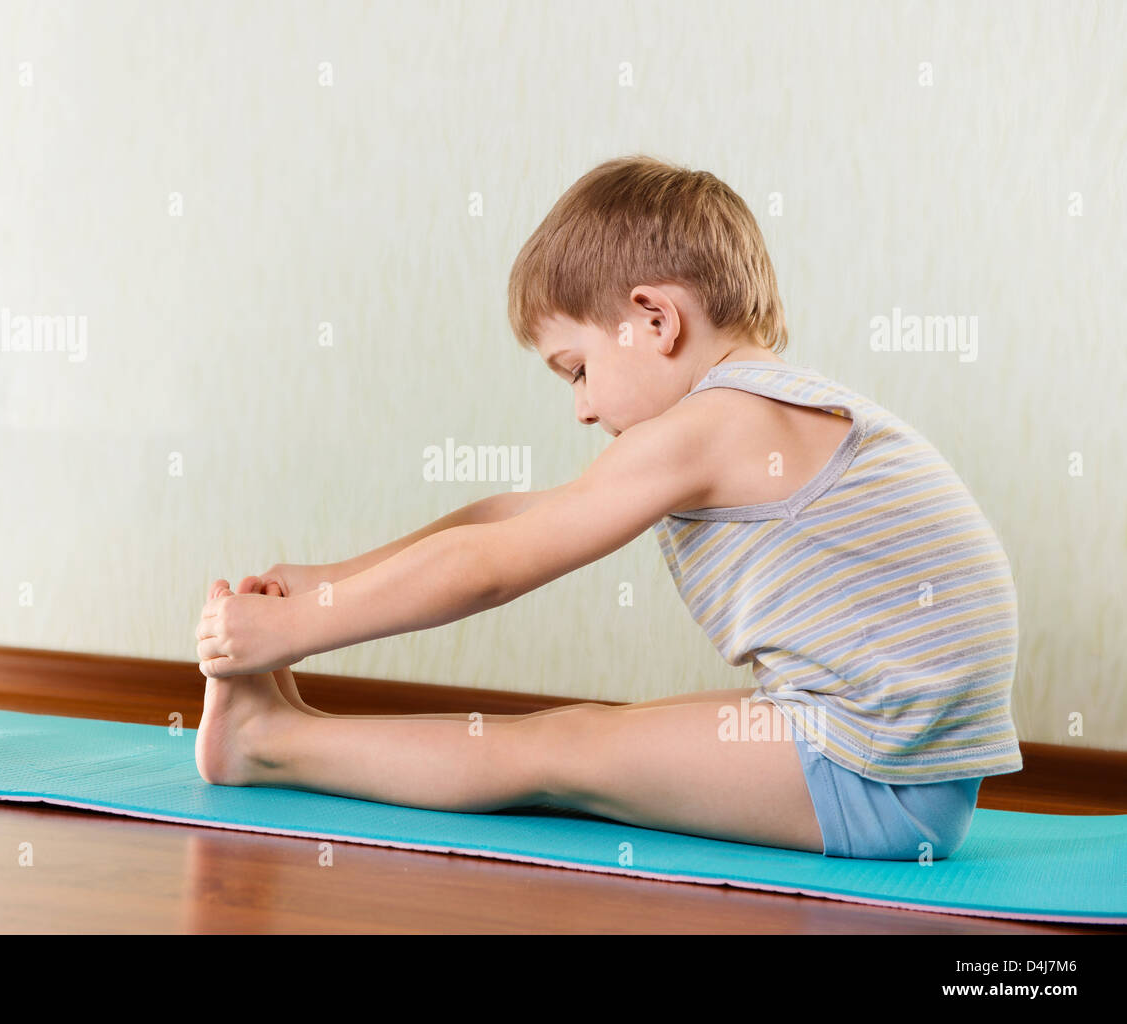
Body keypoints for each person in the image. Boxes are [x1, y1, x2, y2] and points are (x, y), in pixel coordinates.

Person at [194, 155, 1020, 861]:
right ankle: (277, 735)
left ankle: (267, 747)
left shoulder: (719, 423)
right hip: (885, 753)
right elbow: (508, 521)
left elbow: (489, 572)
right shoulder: (759, 407)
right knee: (583, 732)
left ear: (654, 320)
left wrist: (294, 630)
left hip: (878, 775)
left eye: (577, 368)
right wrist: (327, 582)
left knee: (556, 751)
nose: (582, 409)